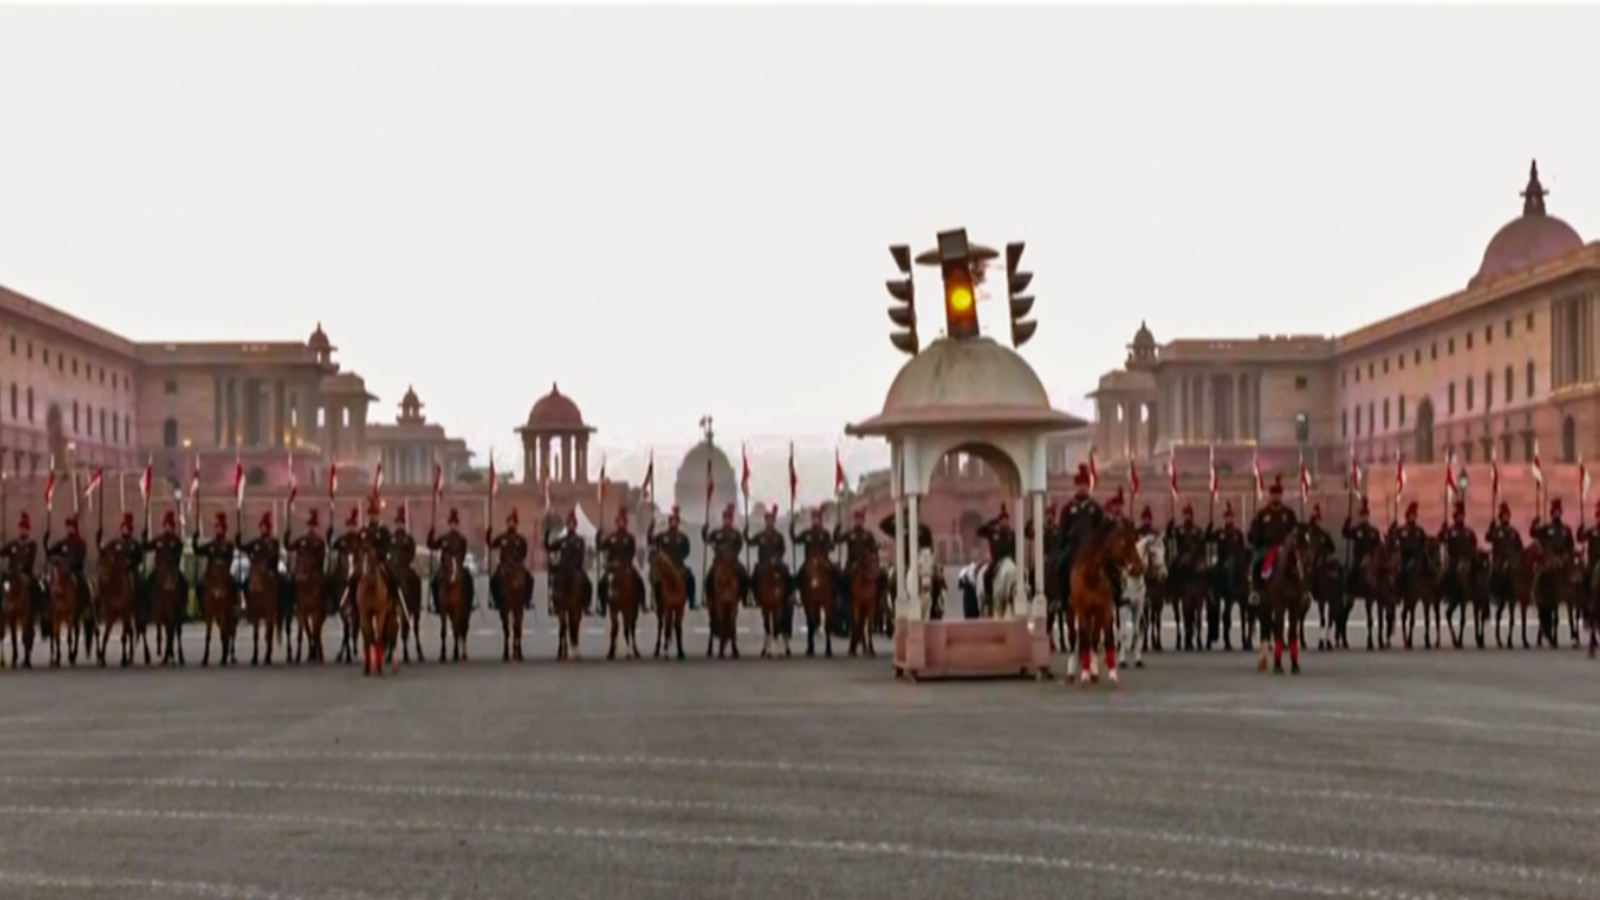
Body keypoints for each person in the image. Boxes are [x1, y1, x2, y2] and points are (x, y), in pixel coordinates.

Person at [1246, 476, 1298, 591]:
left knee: (1299, 566)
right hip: (1267, 546)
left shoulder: (1288, 513)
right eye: (1274, 495)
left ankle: (1303, 591)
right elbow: (1255, 529)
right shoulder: (1263, 513)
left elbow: (1294, 529)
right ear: (1270, 496)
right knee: (1254, 564)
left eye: (1278, 495)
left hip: (1284, 547)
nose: (1276, 497)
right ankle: (1255, 591)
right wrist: (1255, 537)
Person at [426, 508, 474, 612]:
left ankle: (469, 602)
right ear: (449, 525)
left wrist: (458, 561)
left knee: (468, 579)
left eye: (454, 524)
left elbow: (463, 553)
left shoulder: (461, 539)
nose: (453, 526)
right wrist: (430, 535)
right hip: (445, 567)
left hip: (458, 566)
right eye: (451, 523)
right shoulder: (444, 538)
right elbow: (432, 545)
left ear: (457, 525)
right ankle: (436, 604)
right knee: (434, 581)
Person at [647, 507, 694, 609]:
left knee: (691, 578)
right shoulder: (662, 536)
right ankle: (657, 601)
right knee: (657, 581)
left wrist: (680, 557)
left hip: (678, 565)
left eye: (675, 521)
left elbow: (687, 550)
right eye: (672, 521)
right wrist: (651, 528)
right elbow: (651, 542)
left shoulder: (683, 537)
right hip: (665, 568)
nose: (674, 523)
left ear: (678, 523)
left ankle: (692, 601)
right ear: (669, 522)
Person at [597, 508, 643, 610]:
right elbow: (601, 548)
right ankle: (603, 605)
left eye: (623, 522)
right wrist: (598, 536)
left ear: (625, 523)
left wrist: (626, 562)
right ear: (616, 523)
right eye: (619, 522)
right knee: (602, 583)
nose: (621, 523)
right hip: (612, 566)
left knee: (638, 580)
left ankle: (641, 602)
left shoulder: (630, 537)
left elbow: (632, 552)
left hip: (626, 565)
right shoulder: (611, 537)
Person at [702, 503, 748, 604]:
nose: (727, 521)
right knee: (709, 577)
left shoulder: (736, 534)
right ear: (723, 520)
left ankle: (745, 597)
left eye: (729, 519)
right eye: (725, 519)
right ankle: (708, 597)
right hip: (719, 562)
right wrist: (704, 531)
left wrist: (732, 554)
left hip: (733, 562)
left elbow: (739, 546)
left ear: (732, 520)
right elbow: (707, 540)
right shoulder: (717, 532)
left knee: (744, 574)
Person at [488, 509, 530, 611]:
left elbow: (524, 552)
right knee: (493, 580)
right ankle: (496, 600)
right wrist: (488, 535)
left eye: (513, 523)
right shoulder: (502, 537)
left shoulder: (520, 539)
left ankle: (527, 600)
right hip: (504, 564)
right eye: (509, 522)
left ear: (516, 524)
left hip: (517, 565)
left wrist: (519, 560)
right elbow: (492, 545)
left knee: (529, 578)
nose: (511, 524)